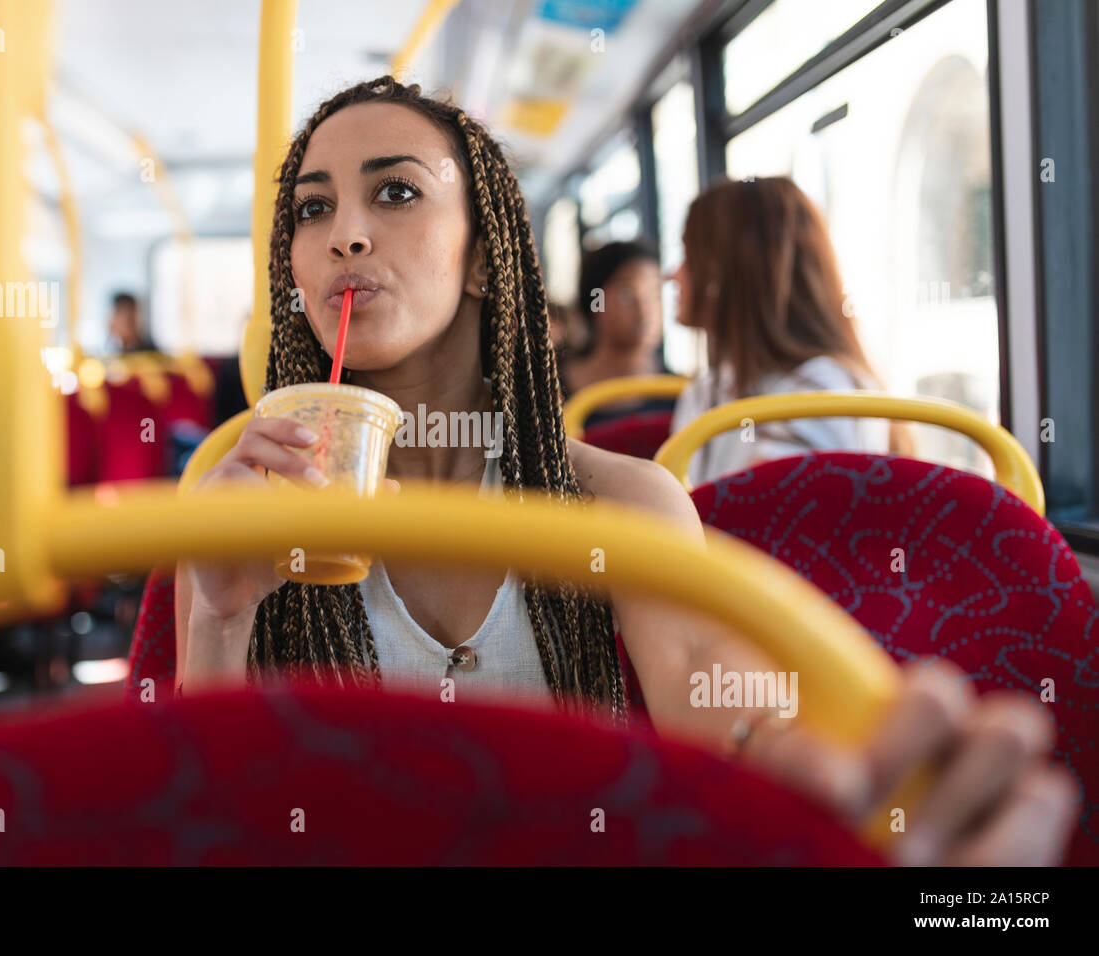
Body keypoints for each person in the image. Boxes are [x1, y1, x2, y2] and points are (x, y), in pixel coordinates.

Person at [175, 77, 1075, 865]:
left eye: (397, 192)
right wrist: (220, 618)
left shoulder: (621, 504)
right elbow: (201, 815)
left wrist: (838, 783)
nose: (346, 237)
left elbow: (718, 701)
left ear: (487, 255)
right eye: (311, 209)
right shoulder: (239, 509)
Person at [669, 177, 899, 485]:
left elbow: (753, 520)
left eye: (688, 255)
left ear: (728, 271)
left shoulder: (822, 391)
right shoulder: (708, 390)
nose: (673, 274)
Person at [560, 239, 674, 428]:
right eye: (626, 293)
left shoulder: (679, 394)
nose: (644, 310)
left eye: (654, 293)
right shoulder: (550, 387)